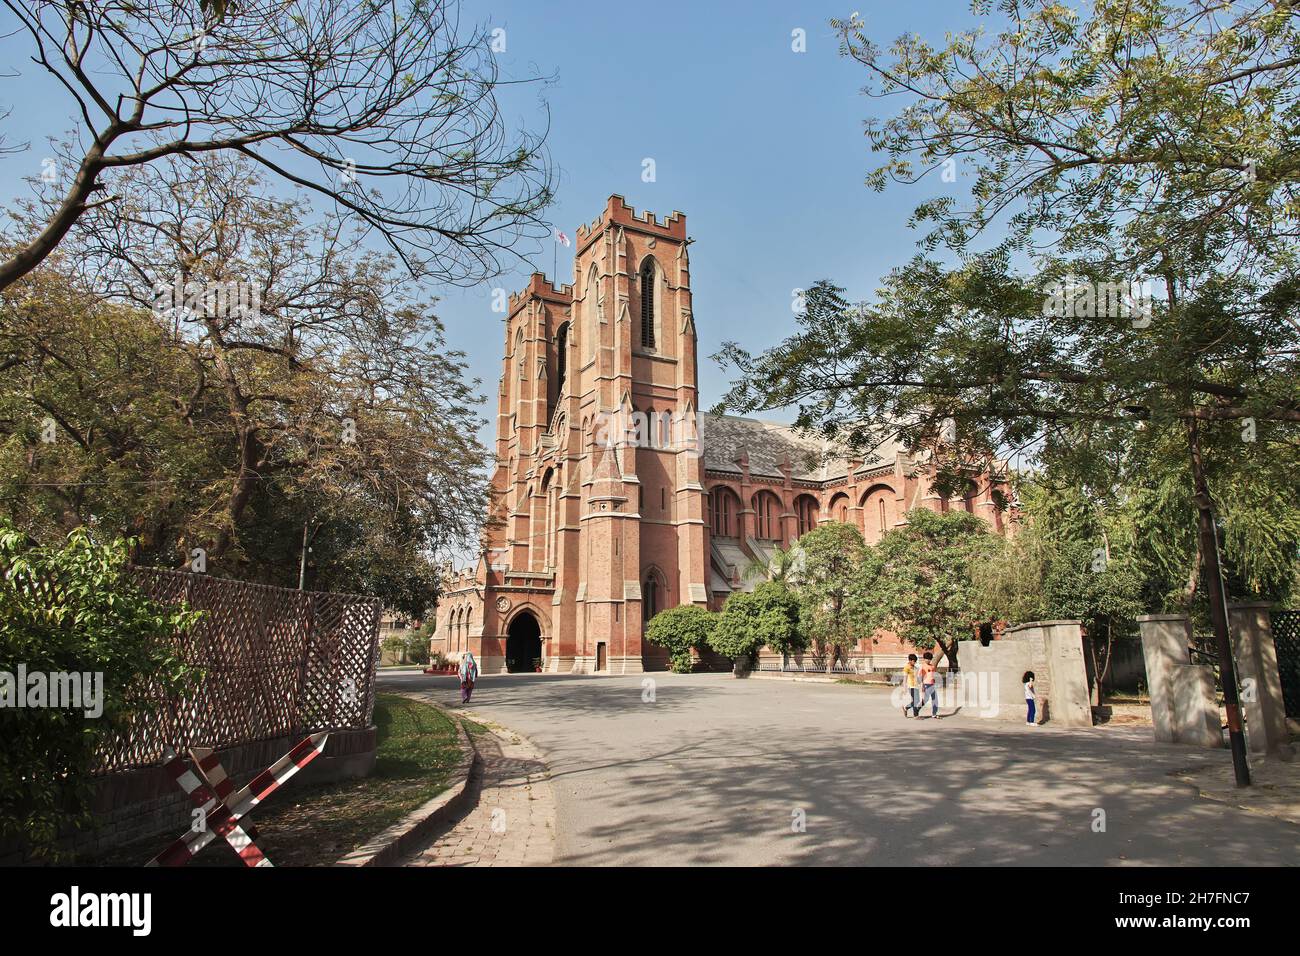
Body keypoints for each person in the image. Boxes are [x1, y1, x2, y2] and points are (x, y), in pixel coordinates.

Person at [920, 651, 940, 719]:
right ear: (924, 659)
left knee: (935, 700)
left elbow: (933, 675)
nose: (928, 660)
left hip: (932, 685)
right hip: (926, 685)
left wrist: (934, 679)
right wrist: (922, 686)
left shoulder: (932, 666)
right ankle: (917, 709)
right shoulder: (923, 666)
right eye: (927, 659)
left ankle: (934, 714)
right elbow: (921, 677)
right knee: (925, 700)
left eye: (929, 659)